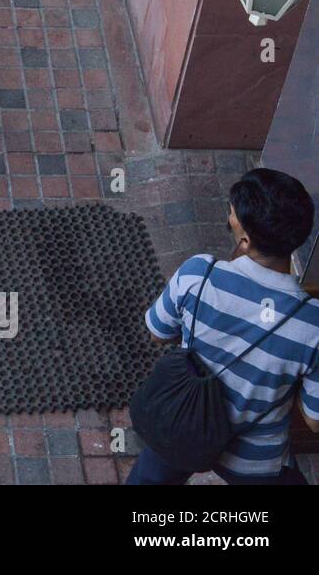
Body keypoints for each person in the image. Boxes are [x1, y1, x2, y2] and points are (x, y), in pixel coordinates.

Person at [126, 167, 319, 485]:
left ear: (244, 238)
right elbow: (314, 420)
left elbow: (157, 332)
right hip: (253, 460)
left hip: (183, 425)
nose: (228, 218)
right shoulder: (312, 323)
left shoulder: (197, 274)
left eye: (232, 215)